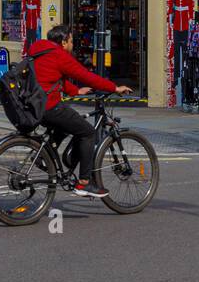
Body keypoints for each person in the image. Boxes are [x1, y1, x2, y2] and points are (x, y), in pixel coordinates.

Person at [28, 24, 132, 197]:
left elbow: (51, 78)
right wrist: (114, 87)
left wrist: (75, 91)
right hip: (48, 105)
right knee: (88, 132)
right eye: (71, 41)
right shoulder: (59, 55)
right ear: (63, 42)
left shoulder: (38, 49)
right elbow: (86, 76)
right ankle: (84, 183)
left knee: (64, 124)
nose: (72, 44)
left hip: (34, 104)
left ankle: (42, 156)